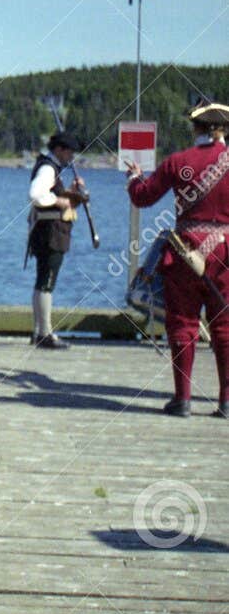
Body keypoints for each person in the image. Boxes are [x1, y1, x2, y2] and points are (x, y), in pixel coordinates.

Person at [126, 102, 229, 417]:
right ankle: (226, 401)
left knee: (182, 323)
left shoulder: (178, 162)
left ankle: (182, 399)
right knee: (225, 324)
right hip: (225, 250)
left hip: (185, 251)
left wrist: (134, 178)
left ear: (197, 128)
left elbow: (142, 197)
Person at [26, 130, 89, 348]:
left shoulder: (52, 169)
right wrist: (60, 201)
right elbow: (36, 195)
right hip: (51, 232)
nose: (71, 157)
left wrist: (70, 192)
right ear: (59, 150)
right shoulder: (48, 169)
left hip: (48, 231)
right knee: (47, 282)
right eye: (69, 152)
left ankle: (39, 331)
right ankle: (45, 333)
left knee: (42, 281)